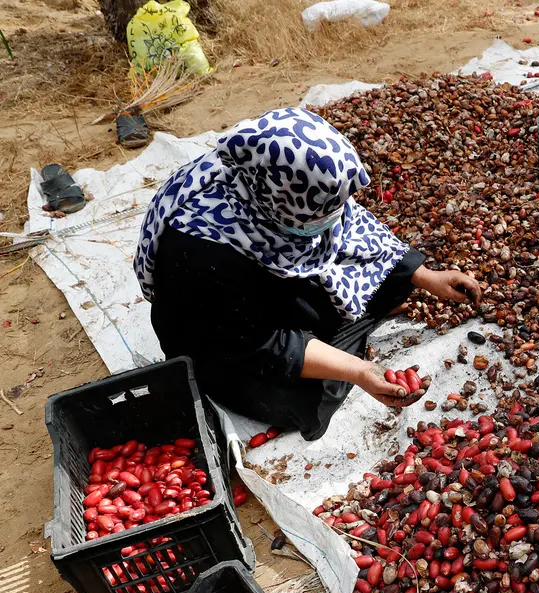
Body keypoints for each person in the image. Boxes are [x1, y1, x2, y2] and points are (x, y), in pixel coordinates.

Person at [135, 108, 480, 440]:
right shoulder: (202, 251)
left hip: (265, 283)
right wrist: (360, 372)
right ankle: (337, 346)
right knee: (308, 398)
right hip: (221, 339)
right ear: (277, 206)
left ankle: (335, 339)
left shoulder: (284, 183)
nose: (334, 218)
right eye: (320, 215)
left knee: (383, 282)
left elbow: (353, 230)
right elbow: (259, 346)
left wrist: (424, 275)